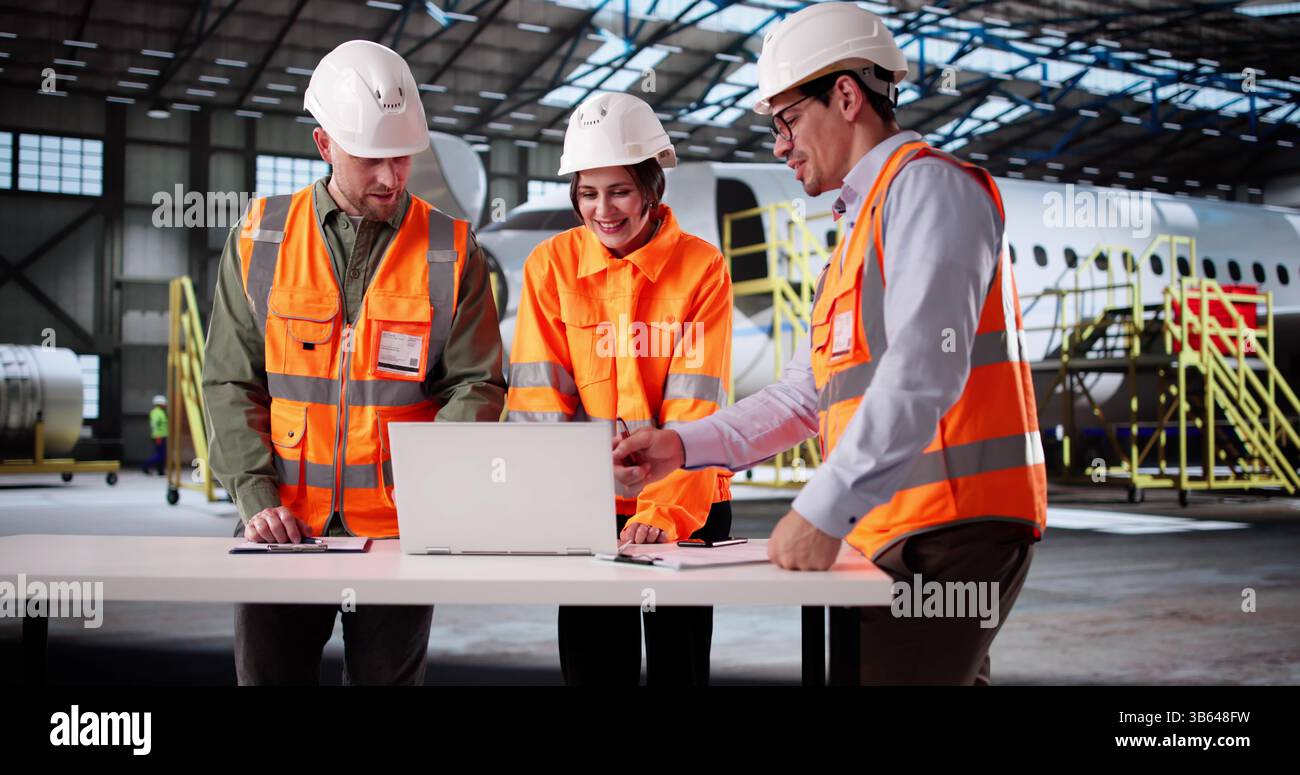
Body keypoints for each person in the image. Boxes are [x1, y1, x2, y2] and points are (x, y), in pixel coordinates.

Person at [612, 2, 1046, 685]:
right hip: (897, 528)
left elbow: (923, 370)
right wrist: (681, 445)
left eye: (786, 120)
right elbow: (802, 396)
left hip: (951, 527)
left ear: (846, 96)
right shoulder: (856, 235)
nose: (779, 144)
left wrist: (820, 507)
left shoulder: (928, 188)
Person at [202, 40, 505, 686]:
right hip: (279, 528)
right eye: (372, 160)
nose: (392, 178)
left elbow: (477, 384)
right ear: (324, 145)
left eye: (402, 157)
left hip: (397, 535)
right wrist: (256, 497)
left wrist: (428, 495)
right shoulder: (260, 239)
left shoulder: (452, 250)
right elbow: (231, 379)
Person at [507, 92, 734, 685]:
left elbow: (695, 403)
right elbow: (538, 398)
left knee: (678, 674)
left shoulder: (701, 267)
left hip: (686, 506)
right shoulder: (550, 267)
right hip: (590, 506)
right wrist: (554, 503)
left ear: (650, 189)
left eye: (619, 191)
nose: (602, 210)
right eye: (587, 192)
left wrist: (662, 511)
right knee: (592, 671)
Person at [143, 394, 168, 476]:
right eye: (164, 403)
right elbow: (156, 424)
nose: (165, 405)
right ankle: (145, 465)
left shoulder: (160, 412)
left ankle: (160, 471)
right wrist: (158, 436)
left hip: (161, 436)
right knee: (160, 455)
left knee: (162, 455)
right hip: (159, 436)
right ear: (160, 404)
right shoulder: (157, 412)